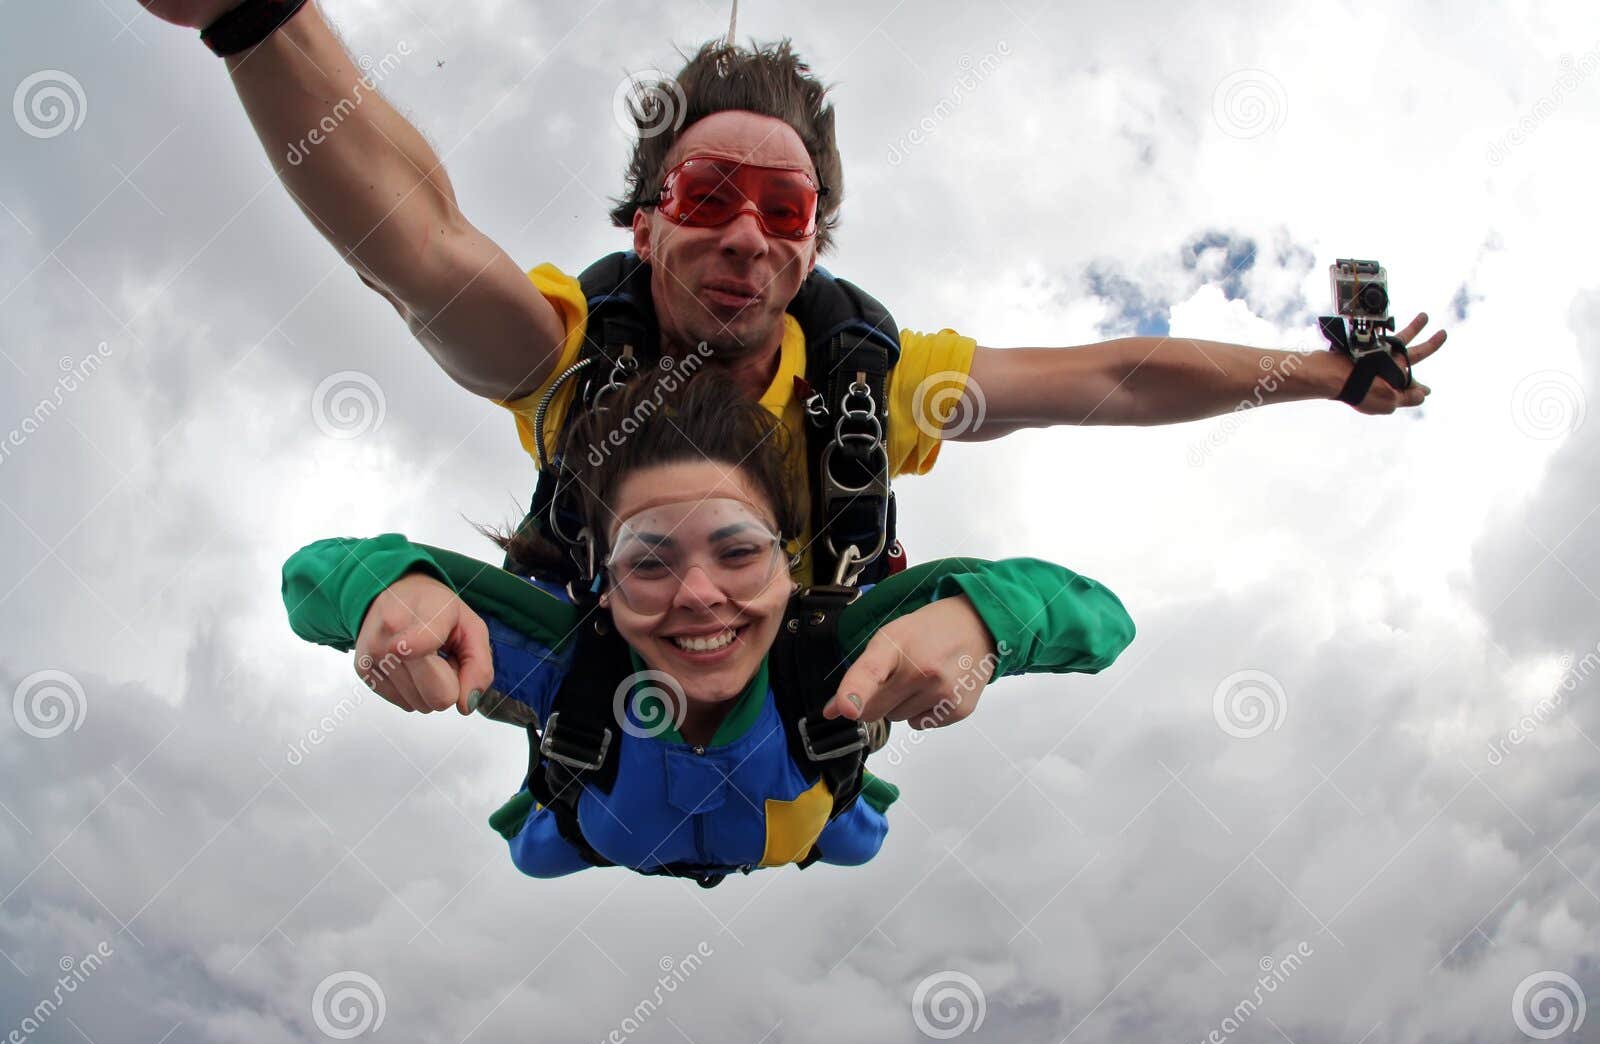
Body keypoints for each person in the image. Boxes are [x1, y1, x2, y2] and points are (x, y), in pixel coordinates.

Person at [142, 0, 1446, 725]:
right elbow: (414, 246)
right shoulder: (570, 354)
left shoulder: (869, 380)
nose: (747, 235)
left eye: (789, 206)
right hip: (613, 660)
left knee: (1015, 601)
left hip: (822, 661)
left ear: (817, 236)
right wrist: (256, 21)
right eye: (709, 190)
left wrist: (1329, 376)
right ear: (642, 217)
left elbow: (1115, 375)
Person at [280, 372, 1137, 885]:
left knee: (855, 838)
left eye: (738, 552)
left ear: (785, 567)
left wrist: (988, 615)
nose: (698, 595)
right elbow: (310, 573)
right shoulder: (564, 658)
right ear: (605, 590)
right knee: (534, 852)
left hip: (801, 817)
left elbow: (1103, 616)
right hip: (589, 826)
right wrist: (380, 593)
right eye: (650, 561)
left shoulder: (838, 655)